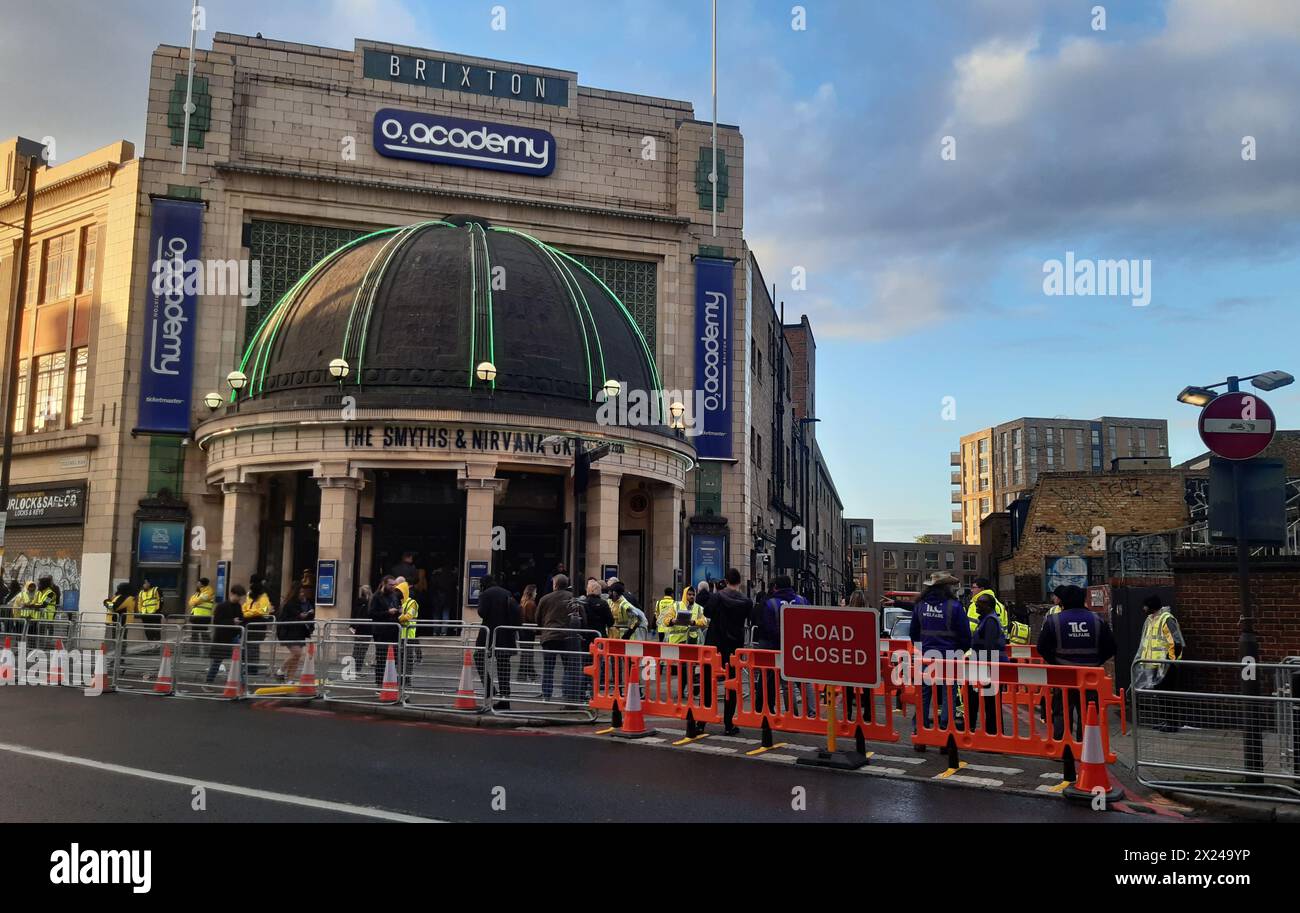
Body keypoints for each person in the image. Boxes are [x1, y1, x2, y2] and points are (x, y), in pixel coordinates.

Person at [1037, 584, 1117, 740]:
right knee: (1088, 713)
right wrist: (1097, 661)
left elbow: (1042, 647)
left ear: (1063, 601)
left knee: (1061, 712)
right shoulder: (1098, 620)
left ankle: (1061, 745)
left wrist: (1055, 662)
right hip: (1090, 676)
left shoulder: (1054, 621)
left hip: (1064, 675)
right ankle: (1085, 747)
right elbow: (1111, 647)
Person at [908, 573, 971, 746]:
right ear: (946, 587)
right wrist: (959, 650)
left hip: (926, 656)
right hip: (949, 656)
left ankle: (920, 731)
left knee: (924, 694)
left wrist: (922, 649)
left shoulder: (920, 606)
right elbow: (965, 635)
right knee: (948, 694)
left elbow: (913, 632)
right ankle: (946, 731)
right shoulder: (955, 606)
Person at [750, 575, 808, 713]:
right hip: (799, 647)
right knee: (802, 681)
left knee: (772, 679)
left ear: (776, 587)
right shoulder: (802, 600)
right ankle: (809, 712)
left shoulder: (770, 603)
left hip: (775, 646)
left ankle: (768, 708)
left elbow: (765, 626)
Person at [706, 568, 752, 734]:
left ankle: (701, 722)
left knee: (707, 682)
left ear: (725, 580)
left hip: (714, 645)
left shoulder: (717, 597)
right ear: (739, 582)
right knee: (731, 685)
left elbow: (707, 612)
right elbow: (748, 618)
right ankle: (728, 723)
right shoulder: (746, 601)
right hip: (734, 647)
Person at [1133, 595, 1185, 732]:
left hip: (1166, 665)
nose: (1143, 608)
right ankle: (1165, 721)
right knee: (1161, 695)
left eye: (1145, 606)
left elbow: (1175, 642)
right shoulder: (1150, 620)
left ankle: (1172, 724)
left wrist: (1170, 661)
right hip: (1155, 665)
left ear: (1151, 606)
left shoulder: (1166, 619)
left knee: (1168, 695)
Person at [475, 575, 521, 709]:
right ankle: (505, 699)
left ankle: (489, 688)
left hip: (489, 633)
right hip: (505, 635)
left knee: (478, 657)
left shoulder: (485, 594)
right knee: (503, 667)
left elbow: (482, 613)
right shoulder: (506, 592)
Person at [536, 575, 584, 702]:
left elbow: (538, 618)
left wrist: (543, 629)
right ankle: (567, 693)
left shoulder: (545, 599)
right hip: (566, 636)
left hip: (549, 636)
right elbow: (582, 617)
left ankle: (546, 695)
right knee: (568, 666)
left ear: (555, 585)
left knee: (548, 667)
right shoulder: (572, 598)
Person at [967, 593, 1008, 734]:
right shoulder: (986, 619)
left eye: (980, 603)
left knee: (991, 702)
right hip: (985, 666)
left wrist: (984, 668)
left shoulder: (990, 621)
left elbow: (989, 647)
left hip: (990, 667)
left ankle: (994, 733)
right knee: (987, 700)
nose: (977, 605)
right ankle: (990, 732)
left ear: (988, 606)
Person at [206, 583, 246, 684]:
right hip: (222, 638)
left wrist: (241, 621)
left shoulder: (238, 606)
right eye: (238, 596)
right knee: (217, 661)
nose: (239, 598)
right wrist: (232, 621)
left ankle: (241, 684)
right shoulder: (221, 606)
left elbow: (241, 618)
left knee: (238, 661)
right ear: (232, 594)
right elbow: (216, 621)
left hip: (234, 636)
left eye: (240, 597)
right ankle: (208, 682)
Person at [276, 581, 315, 682]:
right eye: (300, 592)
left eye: (303, 592)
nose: (302, 594)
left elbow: (304, 616)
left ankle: (290, 679)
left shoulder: (302, 603)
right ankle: (281, 670)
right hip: (288, 632)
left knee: (297, 657)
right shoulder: (288, 603)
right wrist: (300, 616)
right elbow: (284, 619)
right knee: (297, 653)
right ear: (295, 592)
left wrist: (306, 615)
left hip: (299, 632)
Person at [368, 576, 402, 686]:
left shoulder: (394, 595)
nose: (393, 587)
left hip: (393, 631)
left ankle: (391, 682)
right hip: (381, 631)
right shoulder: (377, 596)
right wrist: (388, 612)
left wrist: (399, 611)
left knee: (394, 658)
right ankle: (379, 683)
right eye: (390, 585)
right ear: (384, 584)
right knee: (382, 658)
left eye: (394, 585)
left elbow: (396, 609)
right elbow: (372, 613)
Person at [241, 580, 274, 675]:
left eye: (251, 590)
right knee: (245, 647)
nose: (249, 591)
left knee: (253, 648)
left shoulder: (264, 599)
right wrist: (246, 613)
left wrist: (248, 613)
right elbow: (245, 607)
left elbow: (262, 611)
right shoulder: (250, 597)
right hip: (248, 625)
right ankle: (245, 667)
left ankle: (252, 669)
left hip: (257, 627)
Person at [187, 577, 216, 652]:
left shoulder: (208, 591)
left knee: (204, 634)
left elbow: (198, 600)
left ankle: (208, 651)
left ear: (202, 583)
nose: (197, 584)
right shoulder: (198, 592)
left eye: (198, 582)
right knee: (194, 635)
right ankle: (194, 652)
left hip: (203, 616)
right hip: (196, 616)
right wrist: (194, 601)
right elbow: (190, 602)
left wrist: (194, 601)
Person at [517, 583, 539, 680]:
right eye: (535, 591)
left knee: (526, 652)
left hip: (523, 630)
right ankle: (524, 674)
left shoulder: (523, 601)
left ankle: (528, 674)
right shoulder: (530, 603)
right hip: (529, 631)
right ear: (532, 592)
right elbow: (532, 618)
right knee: (528, 653)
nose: (536, 593)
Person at [350, 584, 374, 671]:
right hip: (366, 628)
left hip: (360, 628)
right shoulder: (368, 602)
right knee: (362, 650)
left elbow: (354, 614)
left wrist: (352, 625)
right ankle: (357, 669)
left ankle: (354, 669)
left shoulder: (361, 602)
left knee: (357, 649)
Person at [137, 577, 163, 645]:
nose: (144, 585)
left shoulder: (156, 590)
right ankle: (151, 645)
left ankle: (157, 646)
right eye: (143, 584)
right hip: (145, 614)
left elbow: (160, 601)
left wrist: (158, 611)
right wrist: (140, 612)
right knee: (148, 631)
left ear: (149, 583)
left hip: (154, 614)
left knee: (156, 631)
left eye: (146, 583)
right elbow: (140, 603)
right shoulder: (141, 592)